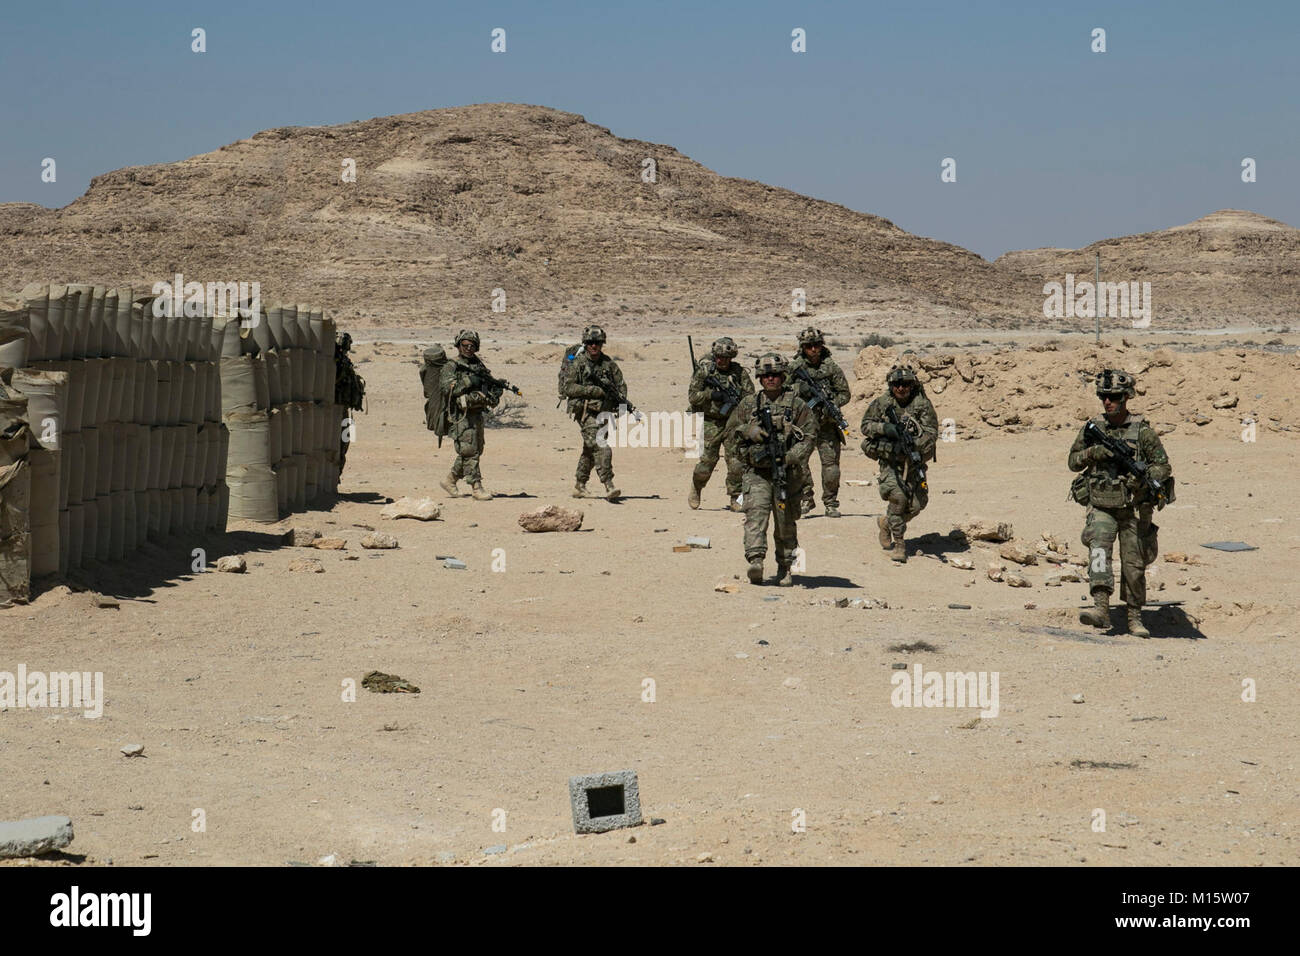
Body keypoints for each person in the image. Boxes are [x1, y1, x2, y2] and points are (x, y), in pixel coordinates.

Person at [1067, 369, 1173, 637]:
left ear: (1126, 397)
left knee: (1134, 564)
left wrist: (1144, 476)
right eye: (1103, 396)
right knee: (1098, 551)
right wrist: (1095, 452)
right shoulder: (1093, 429)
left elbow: (1163, 466)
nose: (1107, 402)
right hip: (1101, 504)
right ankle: (1101, 609)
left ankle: (1134, 617)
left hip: (1133, 508)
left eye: (1113, 397)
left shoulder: (1143, 432)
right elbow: (1073, 461)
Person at [732, 353, 814, 586]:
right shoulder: (749, 404)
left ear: (783, 377)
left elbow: (809, 437)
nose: (771, 379)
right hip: (757, 473)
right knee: (755, 516)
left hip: (787, 473)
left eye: (775, 375)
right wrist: (748, 431)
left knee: (785, 521)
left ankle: (785, 567)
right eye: (766, 376)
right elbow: (733, 434)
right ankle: (756, 561)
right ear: (759, 378)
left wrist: (790, 457)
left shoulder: (797, 405)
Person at [860, 363, 938, 563]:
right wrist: (886, 429)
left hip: (914, 461)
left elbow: (932, 433)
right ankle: (900, 544)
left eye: (905, 384)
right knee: (898, 499)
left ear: (912, 385)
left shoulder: (922, 405)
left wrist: (914, 444)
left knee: (917, 505)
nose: (901, 388)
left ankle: (886, 523)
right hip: (891, 462)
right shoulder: (882, 403)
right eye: (896, 385)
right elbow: (865, 426)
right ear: (891, 385)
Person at [561, 325, 631, 501]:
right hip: (585, 411)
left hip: (604, 411)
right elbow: (568, 387)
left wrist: (621, 403)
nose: (594, 346)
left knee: (590, 449)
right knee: (600, 445)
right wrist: (593, 391)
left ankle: (580, 485)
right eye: (591, 343)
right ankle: (609, 484)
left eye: (598, 343)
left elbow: (621, 386)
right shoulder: (578, 363)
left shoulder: (608, 364)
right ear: (585, 343)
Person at [787, 327, 851, 517]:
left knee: (831, 467)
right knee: (798, 462)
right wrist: (800, 389)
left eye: (817, 345)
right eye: (809, 346)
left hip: (827, 424)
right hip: (803, 425)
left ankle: (830, 503)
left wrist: (831, 403)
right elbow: (783, 391)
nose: (813, 349)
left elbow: (845, 394)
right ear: (803, 347)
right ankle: (806, 498)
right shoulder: (795, 367)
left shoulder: (831, 367)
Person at [687, 336, 754, 511]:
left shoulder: (739, 373)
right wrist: (711, 394)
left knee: (736, 462)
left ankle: (735, 496)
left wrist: (738, 401)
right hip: (712, 421)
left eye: (725, 358)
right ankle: (697, 486)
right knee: (707, 461)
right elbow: (693, 397)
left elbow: (751, 397)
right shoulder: (705, 372)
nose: (721, 361)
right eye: (718, 357)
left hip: (734, 421)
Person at [437, 329, 497, 500]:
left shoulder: (478, 365)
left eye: (472, 346)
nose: (468, 348)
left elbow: (487, 384)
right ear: (458, 346)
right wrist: (469, 381)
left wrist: (494, 391)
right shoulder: (452, 366)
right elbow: (447, 389)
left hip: (476, 413)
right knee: (470, 452)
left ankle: (450, 480)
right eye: (465, 345)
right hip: (460, 416)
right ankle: (476, 488)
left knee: (475, 450)